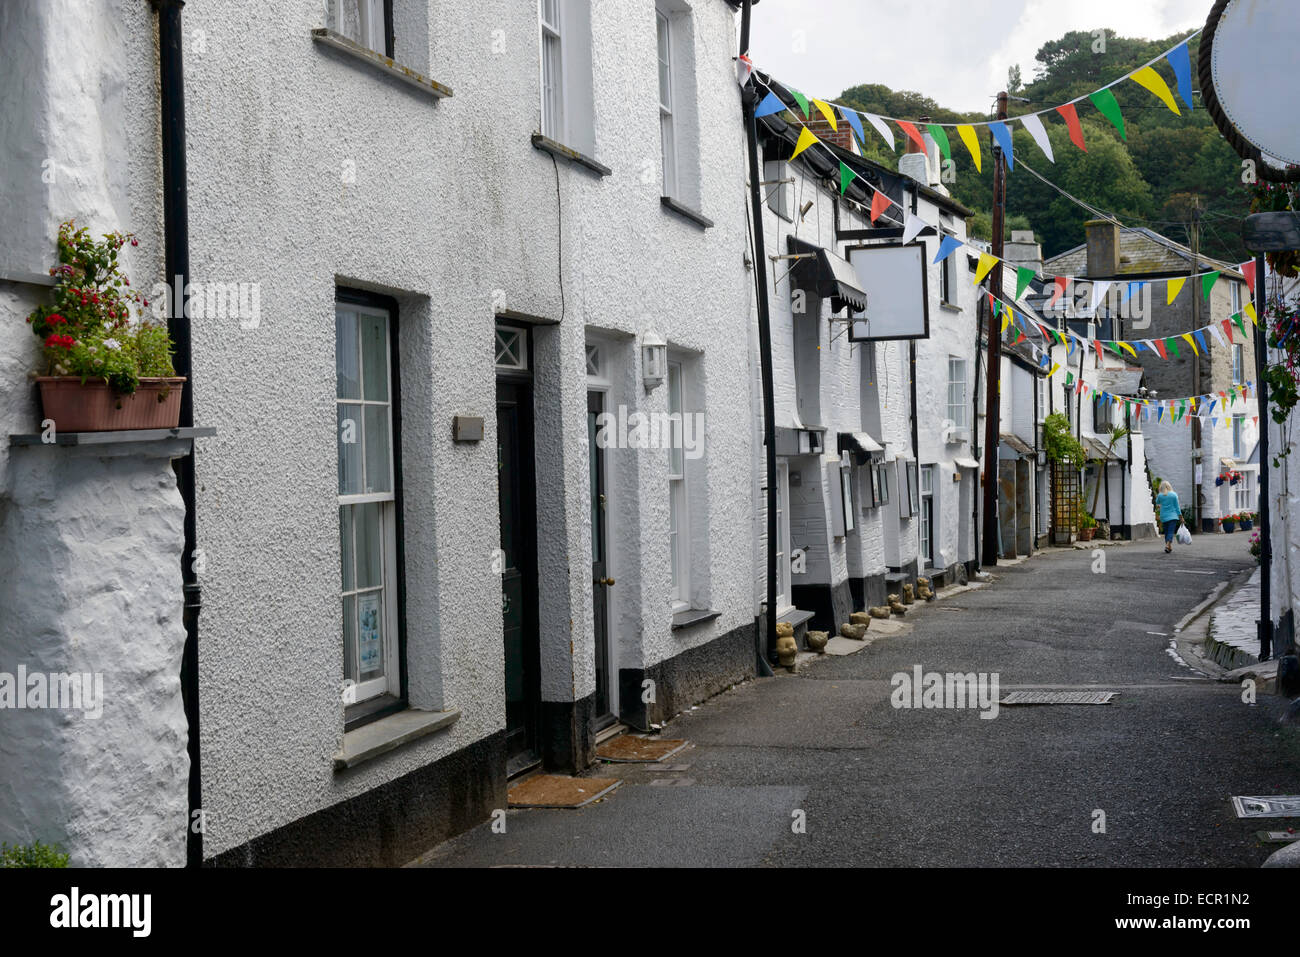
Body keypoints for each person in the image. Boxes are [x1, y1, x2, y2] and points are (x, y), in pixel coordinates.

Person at [1155, 481, 1182, 554]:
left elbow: (1157, 503)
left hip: (1164, 516)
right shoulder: (1174, 495)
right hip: (1173, 516)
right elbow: (1177, 507)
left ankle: (1169, 546)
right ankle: (1168, 545)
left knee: (1167, 532)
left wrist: (1161, 505)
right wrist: (1180, 517)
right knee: (1170, 531)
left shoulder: (1160, 495)